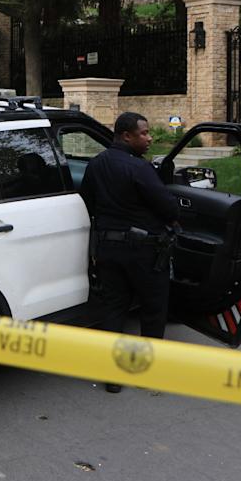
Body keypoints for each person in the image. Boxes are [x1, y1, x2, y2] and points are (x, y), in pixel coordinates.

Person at [79, 112, 180, 393]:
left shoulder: (95, 164)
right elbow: (168, 206)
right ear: (126, 136)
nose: (150, 138)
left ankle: (112, 377)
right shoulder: (140, 168)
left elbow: (87, 201)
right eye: (144, 133)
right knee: (153, 309)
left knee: (113, 309)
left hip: (107, 249)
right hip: (144, 251)